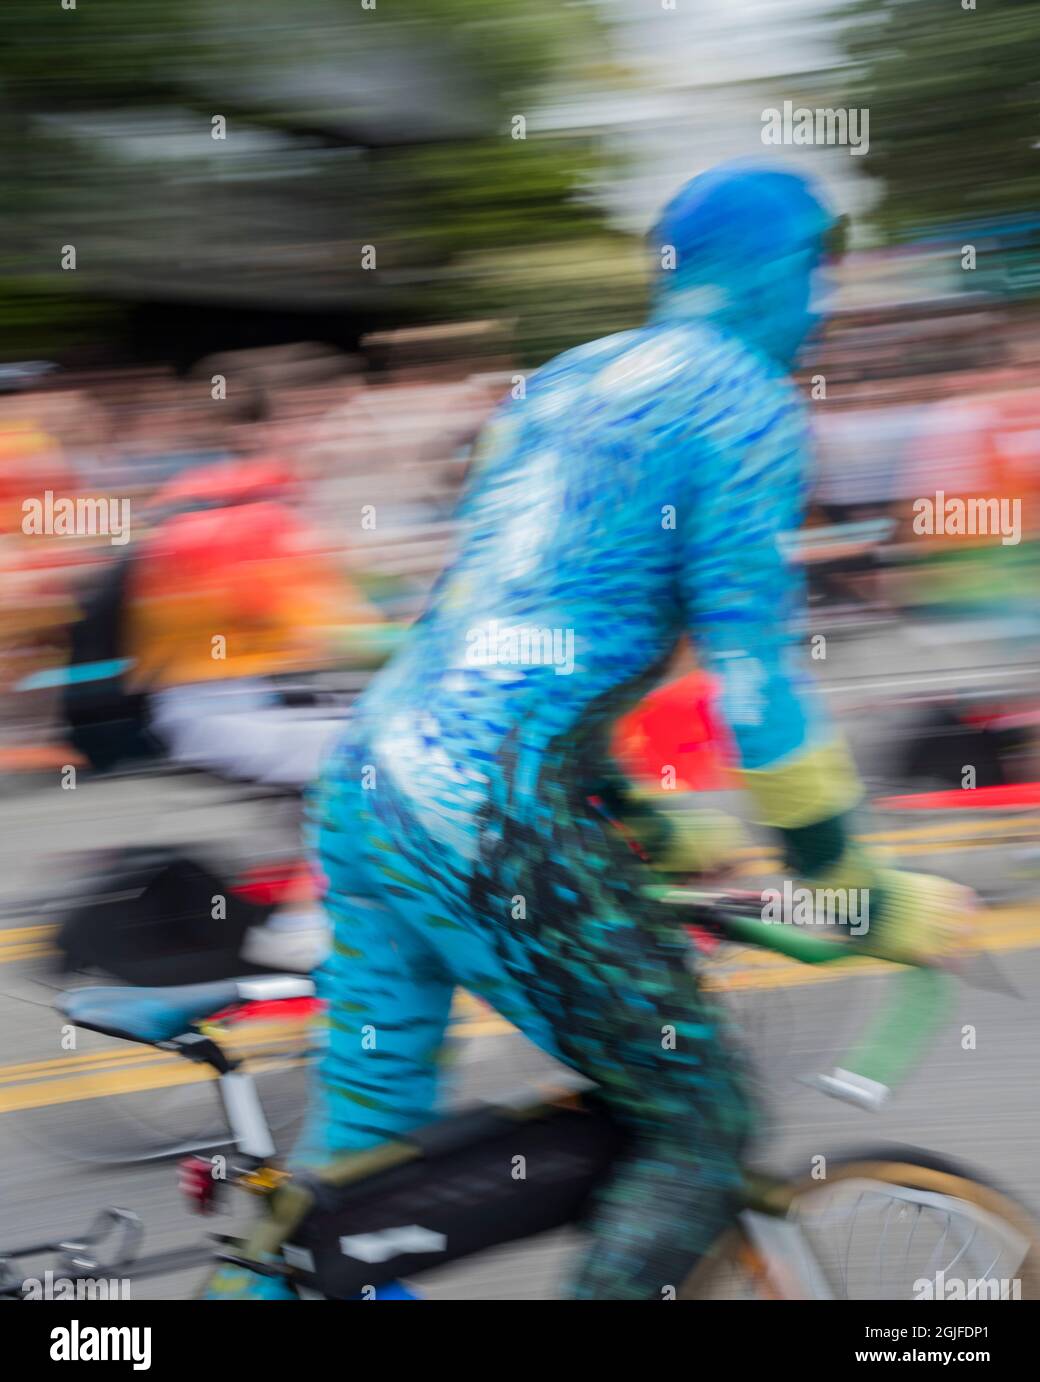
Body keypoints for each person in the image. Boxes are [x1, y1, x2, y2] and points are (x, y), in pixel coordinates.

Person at [214, 162, 969, 1301]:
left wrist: (645, 823)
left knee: (354, 1159)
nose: (824, 307)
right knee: (701, 1120)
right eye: (819, 275)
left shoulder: (564, 381)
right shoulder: (743, 400)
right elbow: (755, 688)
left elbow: (506, 634)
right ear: (780, 272)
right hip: (485, 813)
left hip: (372, 781)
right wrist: (854, 888)